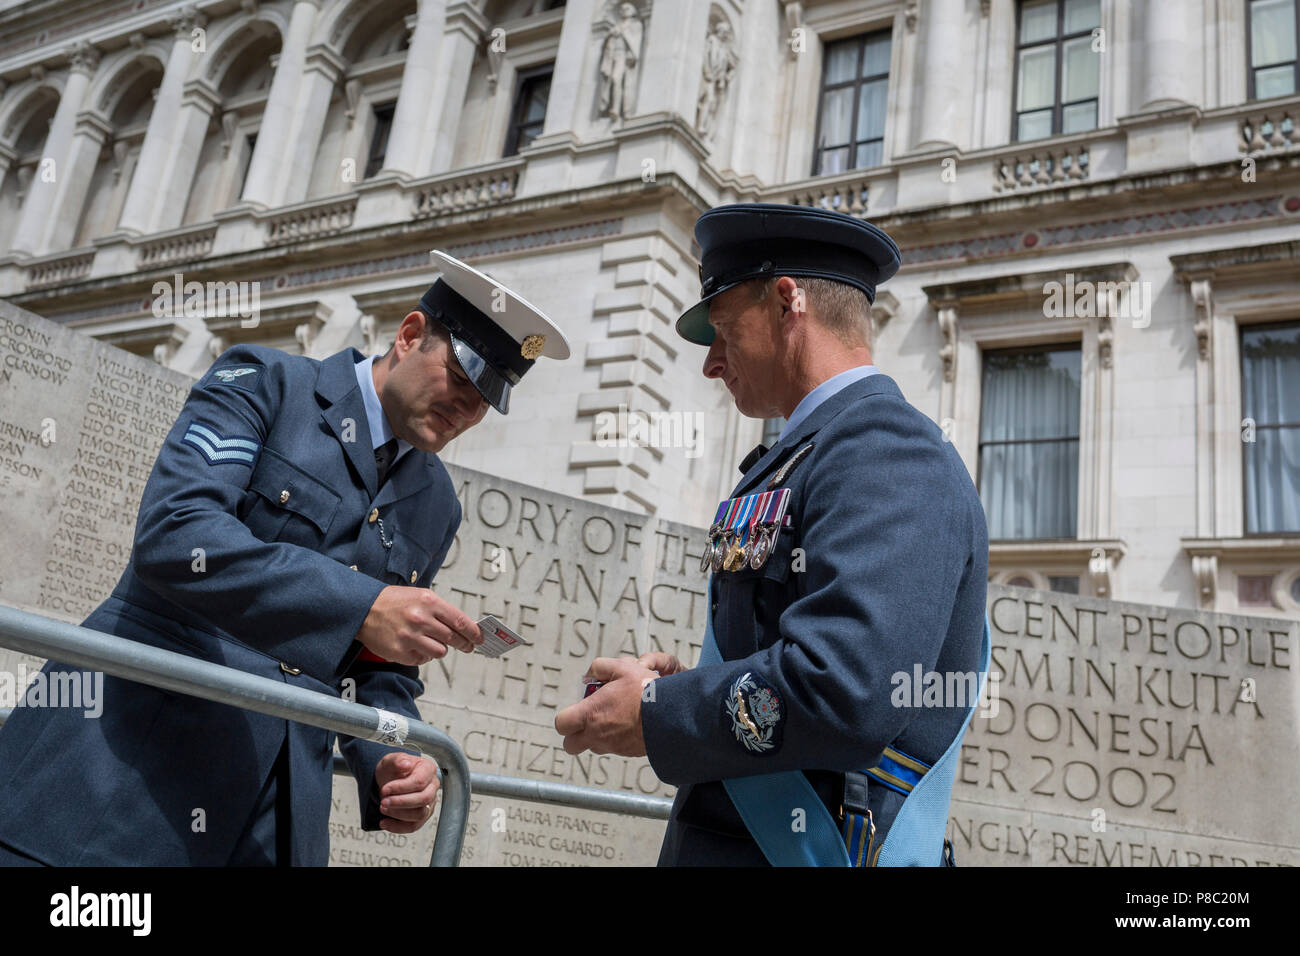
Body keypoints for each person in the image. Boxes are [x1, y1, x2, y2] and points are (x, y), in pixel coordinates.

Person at [0, 250, 568, 866]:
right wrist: (363, 605)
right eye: (459, 378)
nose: (466, 409)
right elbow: (177, 533)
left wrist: (391, 756)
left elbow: (374, 668)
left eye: (485, 400)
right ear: (409, 335)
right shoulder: (265, 382)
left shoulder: (437, 503)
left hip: (276, 816)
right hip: (124, 778)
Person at [556, 203, 989, 866]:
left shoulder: (885, 447)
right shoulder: (817, 450)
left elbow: (847, 687)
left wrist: (659, 712)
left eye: (724, 330)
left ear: (788, 304)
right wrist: (690, 683)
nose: (712, 363)